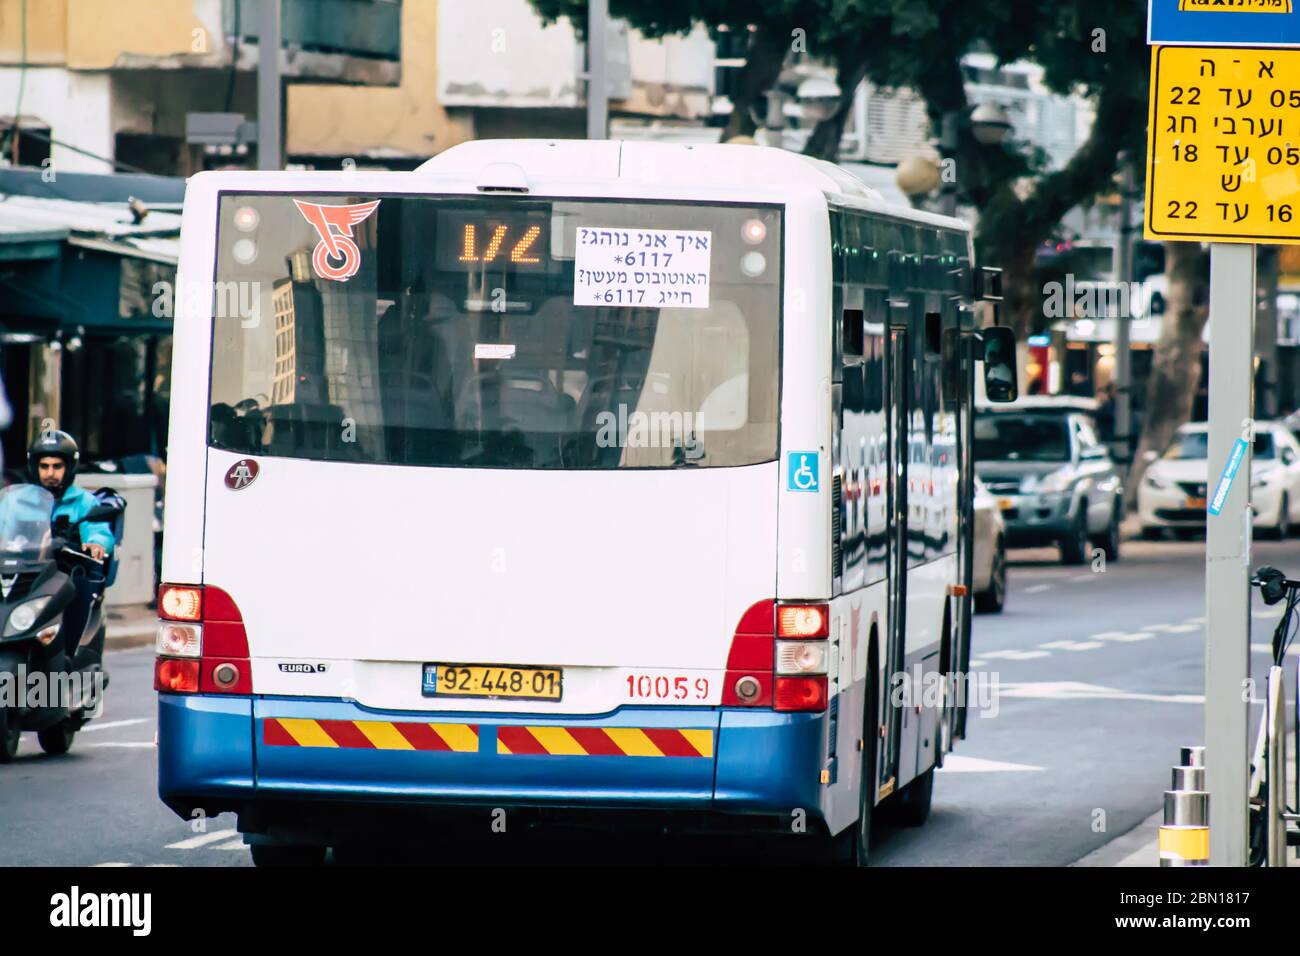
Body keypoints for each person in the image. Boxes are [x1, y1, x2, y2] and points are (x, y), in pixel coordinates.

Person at [26, 430, 116, 662]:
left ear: (69, 467)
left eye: (57, 466)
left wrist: (96, 543)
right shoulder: (23, 500)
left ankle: (69, 655)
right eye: (44, 466)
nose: (50, 473)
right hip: (28, 577)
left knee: (79, 587)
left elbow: (98, 530)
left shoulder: (83, 501)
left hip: (65, 577)